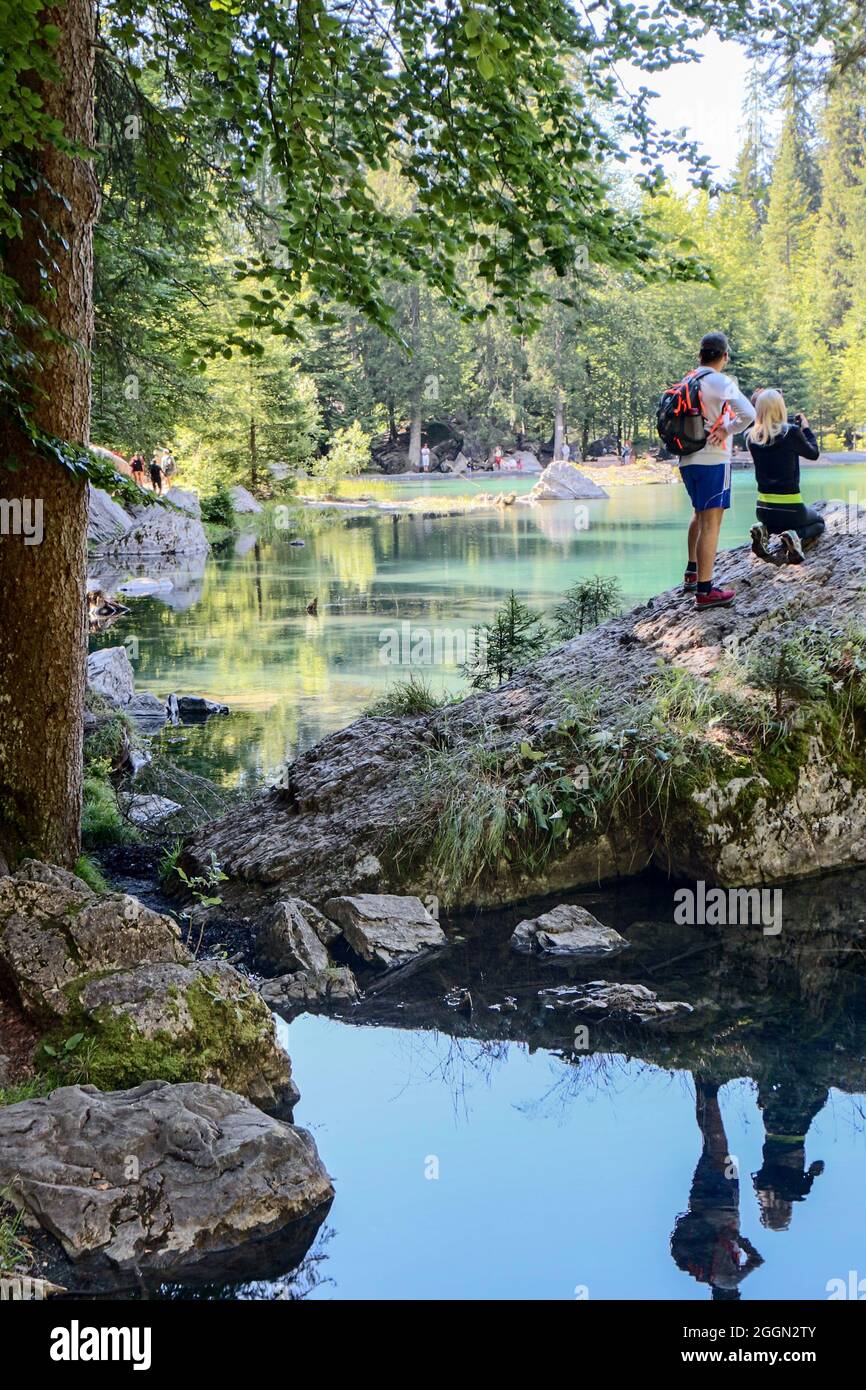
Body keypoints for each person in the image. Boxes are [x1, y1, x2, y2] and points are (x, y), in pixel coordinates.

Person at [678, 331, 756, 611]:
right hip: (713, 460)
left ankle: (691, 572)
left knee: (698, 515)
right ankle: (705, 590)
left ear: (700, 355)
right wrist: (727, 428)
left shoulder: (688, 380)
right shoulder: (722, 382)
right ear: (724, 356)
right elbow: (749, 414)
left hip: (686, 460)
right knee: (712, 524)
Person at [745, 389, 823, 564]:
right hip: (791, 510)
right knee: (818, 523)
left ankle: (764, 530)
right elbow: (813, 454)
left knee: (775, 523)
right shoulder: (792, 432)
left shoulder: (751, 437)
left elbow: (768, 434)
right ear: (780, 408)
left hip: (763, 510)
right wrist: (807, 429)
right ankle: (795, 535)